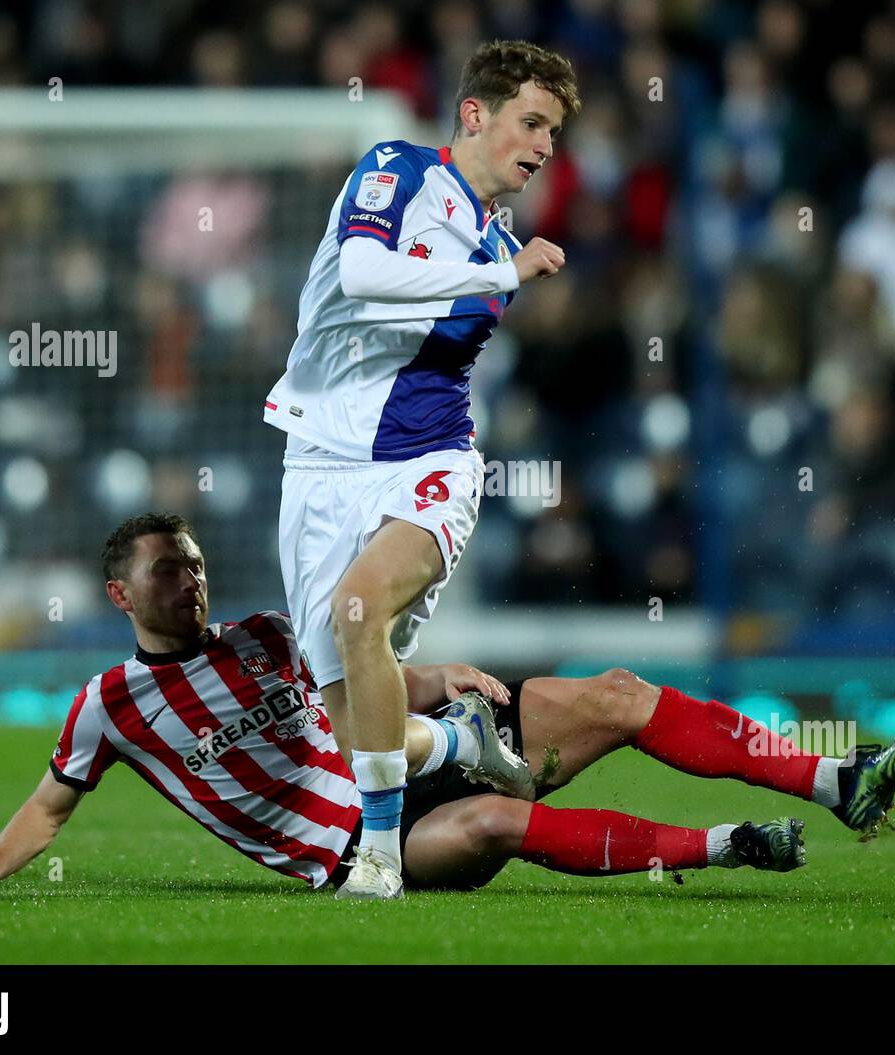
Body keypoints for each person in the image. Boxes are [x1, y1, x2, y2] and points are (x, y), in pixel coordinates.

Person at [0, 514, 895, 894]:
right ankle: (727, 844)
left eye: (190, 564)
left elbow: (356, 678)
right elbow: (54, 799)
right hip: (361, 844)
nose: (189, 582)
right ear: (119, 595)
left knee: (617, 694)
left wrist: (438, 674)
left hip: (401, 747)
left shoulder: (270, 633)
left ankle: (834, 779)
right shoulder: (112, 702)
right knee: (491, 821)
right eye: (165, 574)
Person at [262, 40, 579, 897]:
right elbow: (363, 273)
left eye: (555, 130)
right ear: (475, 114)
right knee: (345, 722)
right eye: (533, 121)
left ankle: (377, 854)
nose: (548, 145)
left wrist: (498, 266)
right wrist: (498, 270)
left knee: (359, 606)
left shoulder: (493, 244)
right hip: (318, 464)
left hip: (427, 463)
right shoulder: (396, 169)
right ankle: (458, 741)